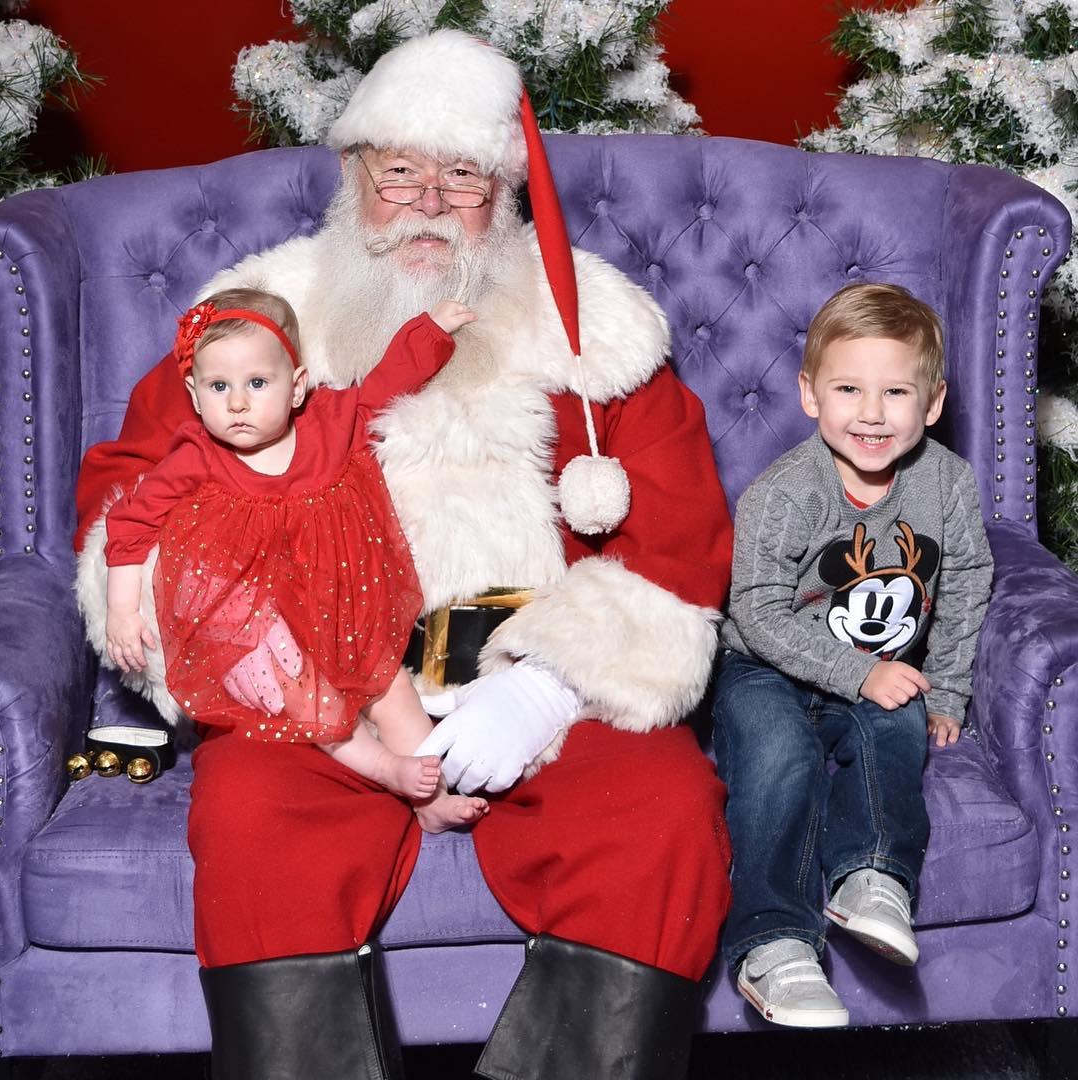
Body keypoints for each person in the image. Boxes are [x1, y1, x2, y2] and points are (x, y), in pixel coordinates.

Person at [74, 30, 734, 1080]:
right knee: (249, 816)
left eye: (463, 176)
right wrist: (295, 681)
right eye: (400, 174)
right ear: (352, 180)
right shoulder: (254, 324)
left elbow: (680, 529)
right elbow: (143, 505)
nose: (429, 202)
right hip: (309, 687)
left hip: (526, 677)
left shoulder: (593, 327)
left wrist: (552, 688)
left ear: (505, 195)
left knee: (664, 815)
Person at [712, 282, 994, 1029]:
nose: (871, 412)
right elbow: (757, 610)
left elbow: (966, 584)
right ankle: (774, 941)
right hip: (763, 666)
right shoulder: (783, 493)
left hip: (880, 670)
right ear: (810, 394)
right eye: (848, 388)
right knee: (780, 758)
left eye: (896, 391)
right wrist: (860, 671)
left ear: (932, 403)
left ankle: (870, 876)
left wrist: (948, 693)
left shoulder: (948, 483)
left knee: (894, 731)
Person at [103, 288, 488, 833]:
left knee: (391, 689)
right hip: (260, 626)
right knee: (313, 701)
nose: (237, 403)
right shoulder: (197, 457)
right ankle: (388, 770)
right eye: (219, 387)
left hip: (344, 607)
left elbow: (385, 384)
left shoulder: (329, 423)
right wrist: (123, 609)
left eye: (257, 383)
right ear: (194, 395)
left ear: (297, 385)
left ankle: (433, 800)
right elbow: (132, 521)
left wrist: (432, 329)